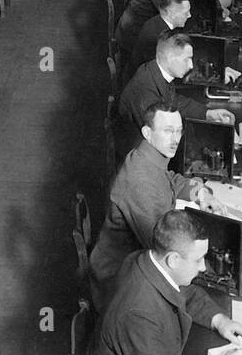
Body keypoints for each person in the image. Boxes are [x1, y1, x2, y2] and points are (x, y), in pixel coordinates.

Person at [86, 210, 242, 355]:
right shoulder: (139, 316)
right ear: (173, 259)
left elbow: (186, 292)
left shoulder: (144, 260)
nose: (203, 267)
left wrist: (219, 320)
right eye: (198, 259)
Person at [90, 103, 218, 310]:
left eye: (178, 131)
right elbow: (164, 249)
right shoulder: (141, 180)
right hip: (119, 281)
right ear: (147, 133)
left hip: (140, 259)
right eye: (168, 131)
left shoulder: (149, 156)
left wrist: (200, 192)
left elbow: (170, 180)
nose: (175, 139)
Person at [118, 30, 236, 141]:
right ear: (170, 57)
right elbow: (160, 136)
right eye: (187, 59)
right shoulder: (146, 89)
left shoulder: (155, 71)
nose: (191, 66)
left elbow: (175, 102)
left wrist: (207, 113)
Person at [129, 0, 191, 79]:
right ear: (171, 13)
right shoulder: (155, 37)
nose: (189, 15)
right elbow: (161, 73)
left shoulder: (160, 20)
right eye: (185, 13)